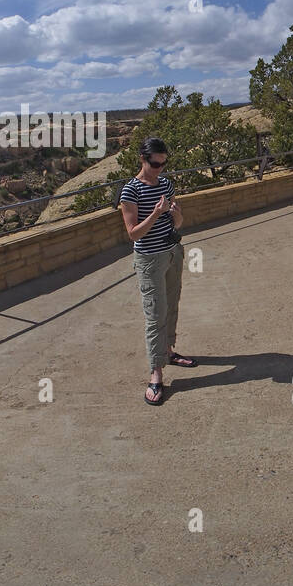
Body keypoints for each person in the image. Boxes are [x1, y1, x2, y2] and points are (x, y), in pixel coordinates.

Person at [119, 136, 196, 404]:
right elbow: (133, 234)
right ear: (143, 159)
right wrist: (155, 213)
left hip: (173, 251)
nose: (159, 169)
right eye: (155, 163)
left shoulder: (166, 183)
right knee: (155, 314)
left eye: (164, 163)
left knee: (172, 304)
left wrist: (175, 214)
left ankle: (169, 350)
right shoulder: (131, 191)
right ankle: (156, 373)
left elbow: (179, 219)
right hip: (150, 259)